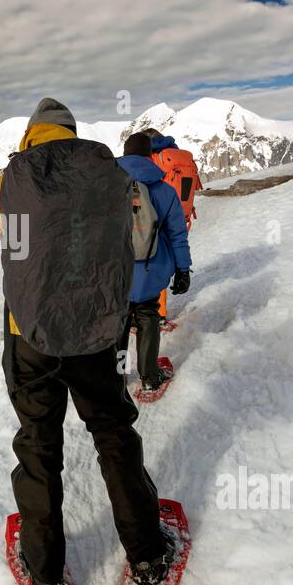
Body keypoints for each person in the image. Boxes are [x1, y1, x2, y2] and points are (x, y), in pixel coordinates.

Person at [0, 98, 176, 585]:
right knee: (113, 433)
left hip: (29, 333)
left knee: (38, 444)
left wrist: (10, 213)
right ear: (73, 135)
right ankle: (147, 556)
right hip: (98, 329)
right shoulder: (109, 176)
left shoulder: (9, 182)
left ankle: (47, 574)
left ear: (31, 135)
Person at [117, 132, 192, 393]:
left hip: (117, 272)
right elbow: (177, 234)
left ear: (124, 155)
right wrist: (183, 269)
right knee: (148, 318)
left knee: (119, 323)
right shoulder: (164, 190)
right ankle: (149, 376)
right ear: (150, 156)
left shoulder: (105, 187)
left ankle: (118, 376)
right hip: (152, 270)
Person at [143, 128, 200, 328]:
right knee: (163, 260)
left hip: (155, 216)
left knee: (149, 262)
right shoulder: (178, 155)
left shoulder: (153, 156)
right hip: (177, 215)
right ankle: (159, 313)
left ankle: (153, 315)